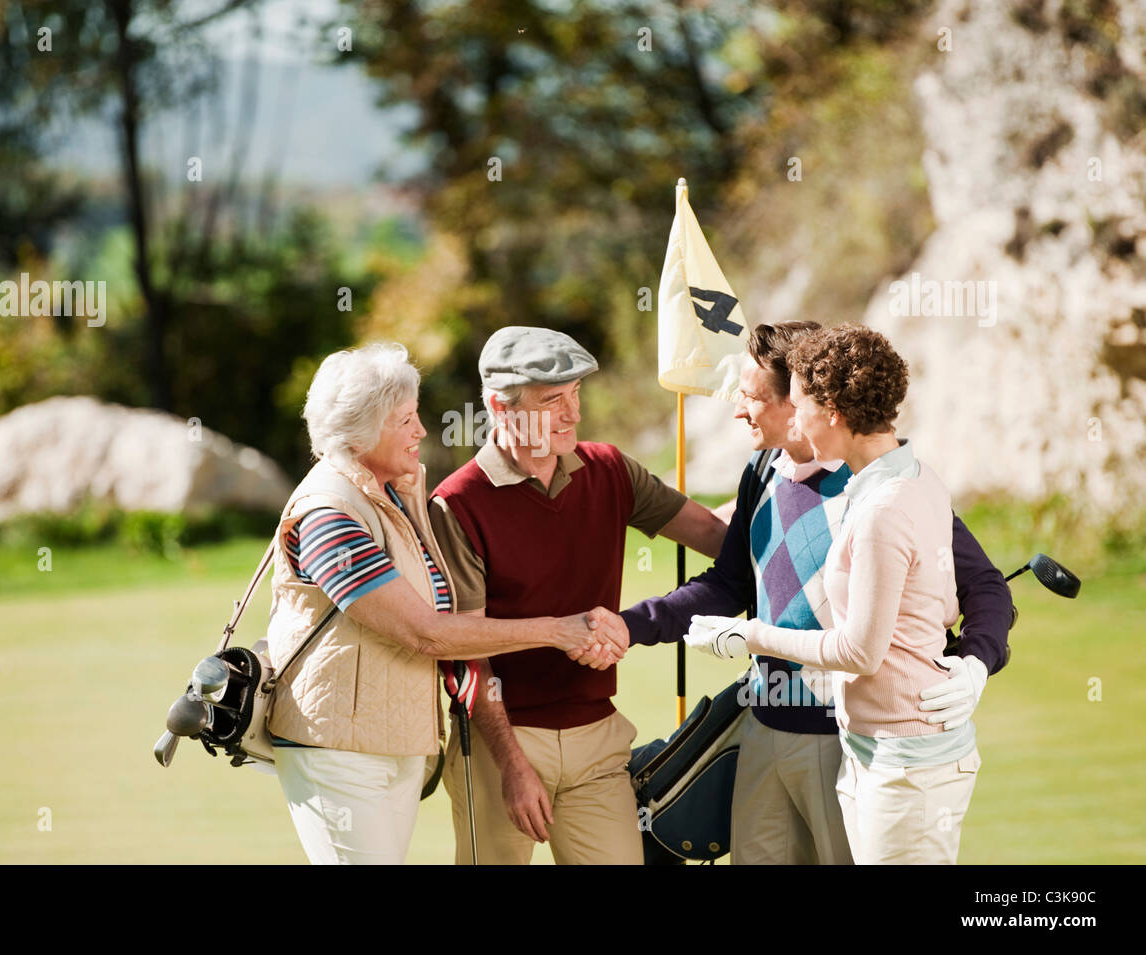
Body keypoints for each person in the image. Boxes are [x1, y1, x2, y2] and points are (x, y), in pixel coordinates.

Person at [623, 321, 1013, 865]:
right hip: (763, 725)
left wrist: (977, 661)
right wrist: (627, 626)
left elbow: (985, 586)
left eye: (752, 397)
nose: (739, 410)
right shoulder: (762, 471)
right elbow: (728, 585)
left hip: (846, 739)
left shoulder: (874, 486)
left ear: (800, 403)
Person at [265, 342, 629, 866]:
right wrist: (557, 630)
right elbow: (425, 632)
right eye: (405, 420)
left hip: (396, 743)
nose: (420, 432)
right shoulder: (329, 511)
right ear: (364, 430)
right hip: (337, 750)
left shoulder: (390, 494)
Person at [427, 326, 729, 864]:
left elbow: (712, 536)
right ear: (501, 406)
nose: (573, 414)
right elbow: (466, 649)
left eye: (575, 396)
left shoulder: (610, 469)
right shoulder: (458, 503)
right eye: (552, 401)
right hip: (503, 743)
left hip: (598, 740)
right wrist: (513, 764)